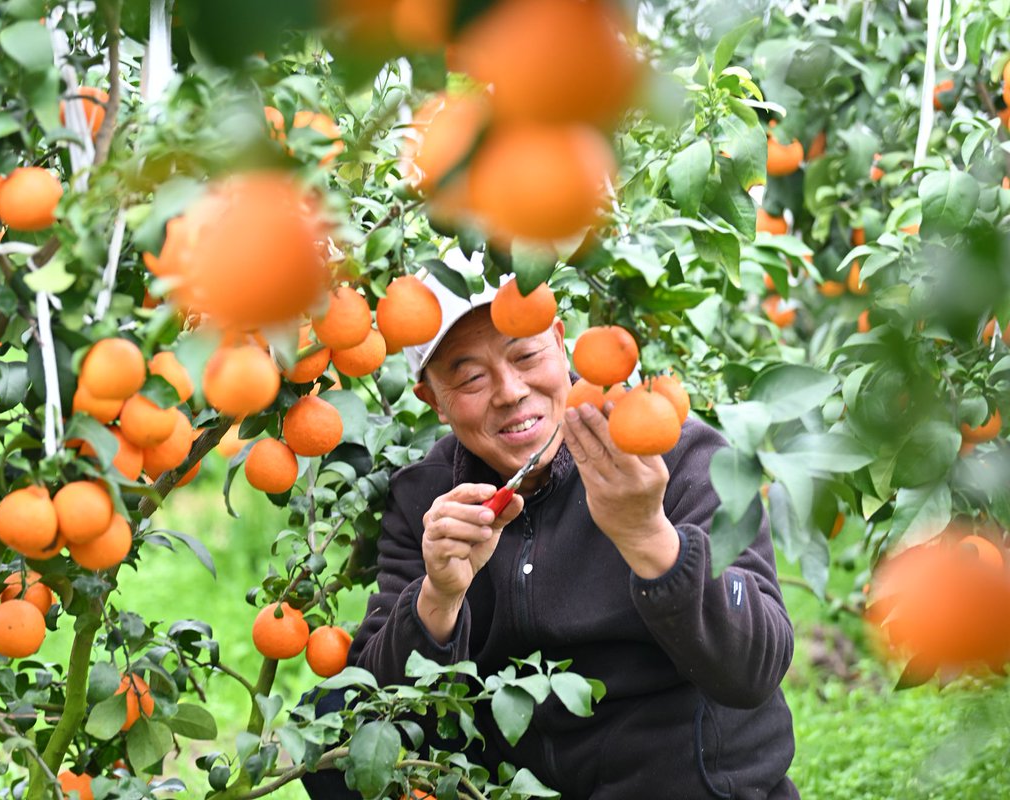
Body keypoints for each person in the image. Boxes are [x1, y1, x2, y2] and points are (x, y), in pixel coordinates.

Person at [303, 258, 799, 799]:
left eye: (526, 354)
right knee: (331, 727)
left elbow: (756, 670)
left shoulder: (670, 455)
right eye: (470, 377)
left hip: (673, 776)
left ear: (560, 343)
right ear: (433, 401)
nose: (510, 390)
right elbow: (380, 700)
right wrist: (437, 600)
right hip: (511, 782)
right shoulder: (428, 500)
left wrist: (650, 539)